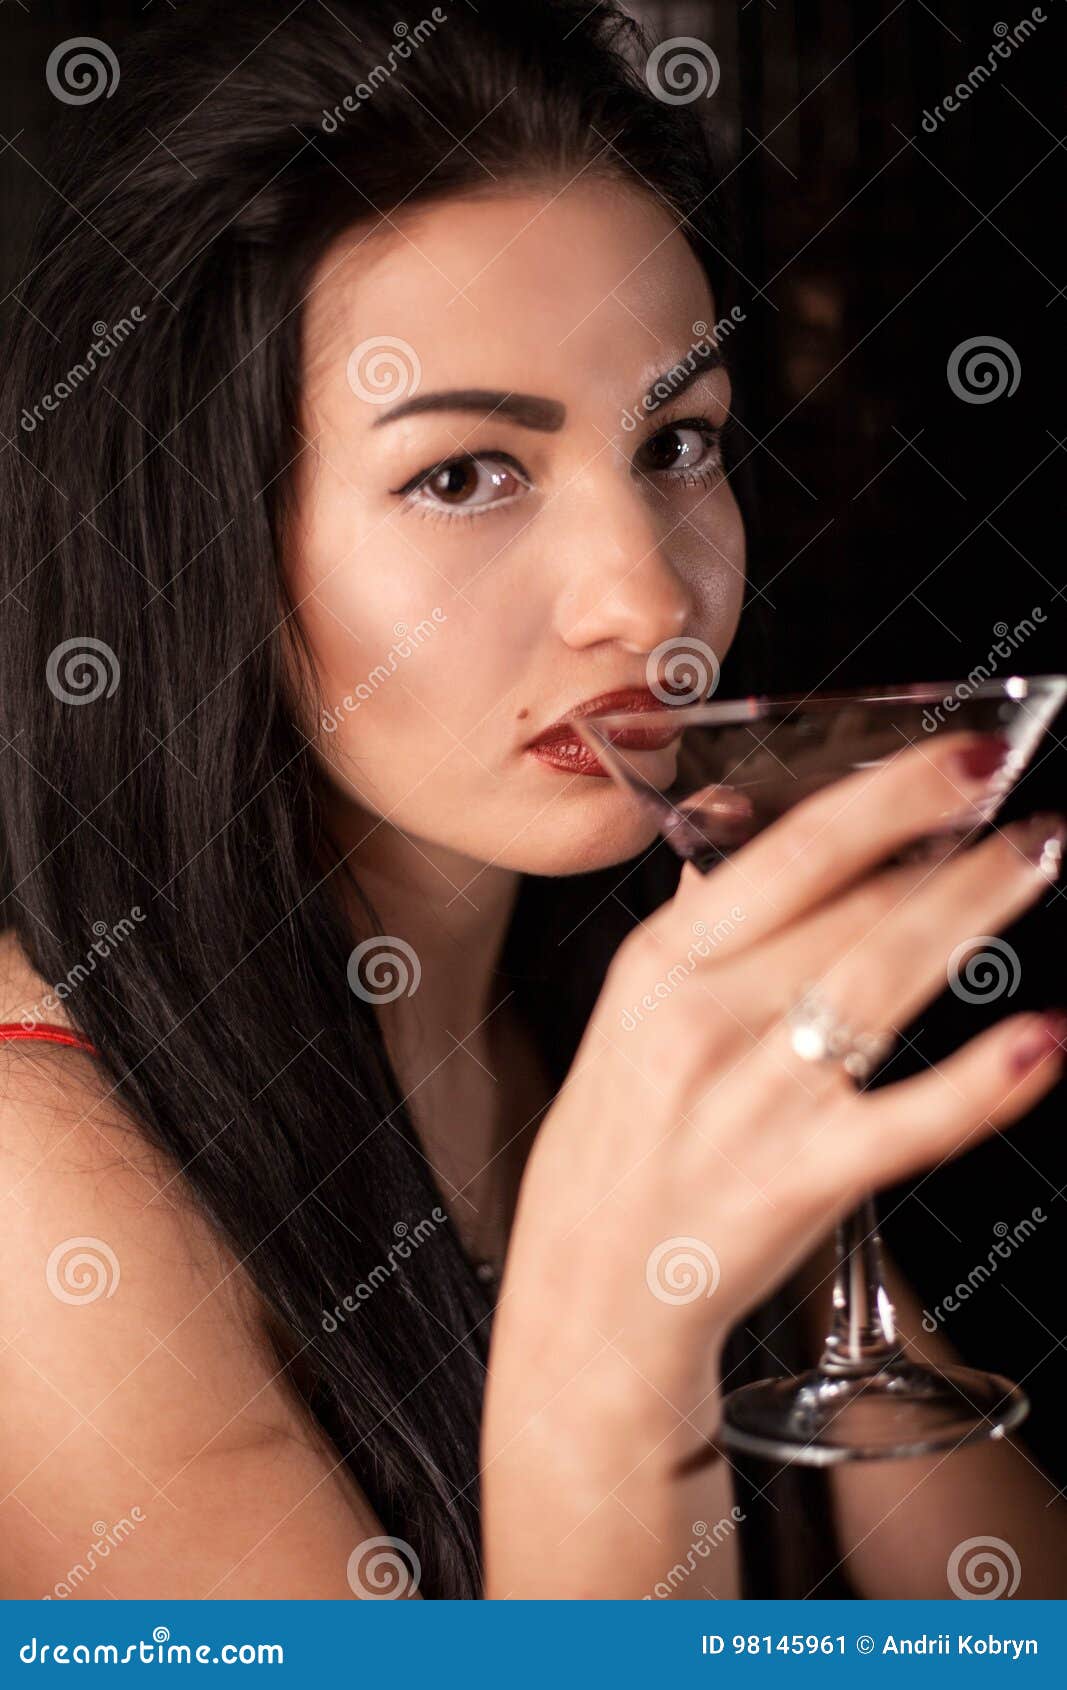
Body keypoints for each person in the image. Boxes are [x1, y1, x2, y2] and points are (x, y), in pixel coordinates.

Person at [1, 0, 1064, 1599]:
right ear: (202, 544)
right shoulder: (36, 1186)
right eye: (463, 474)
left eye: (679, 441)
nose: (646, 597)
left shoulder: (610, 1000)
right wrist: (611, 1347)